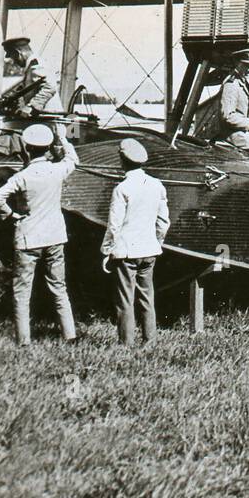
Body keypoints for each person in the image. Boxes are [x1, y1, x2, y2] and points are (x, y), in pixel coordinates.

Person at [0, 123, 78, 345]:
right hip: (55, 237)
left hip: (28, 238)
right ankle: (70, 336)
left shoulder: (22, 176)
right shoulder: (57, 171)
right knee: (59, 288)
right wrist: (63, 139)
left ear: (27, 148)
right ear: (48, 148)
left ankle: (24, 340)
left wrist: (11, 215)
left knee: (22, 292)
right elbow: (73, 160)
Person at [101, 138, 170, 344]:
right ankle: (150, 341)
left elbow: (114, 225)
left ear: (122, 160)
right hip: (150, 250)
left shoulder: (122, 189)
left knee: (125, 300)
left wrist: (107, 250)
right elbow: (163, 221)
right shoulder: (157, 185)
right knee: (147, 298)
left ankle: (126, 344)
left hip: (126, 252)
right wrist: (156, 242)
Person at [0, 36, 62, 118]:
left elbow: (49, 86)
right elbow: (26, 90)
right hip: (43, 119)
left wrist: (32, 107)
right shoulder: (30, 67)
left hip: (49, 119)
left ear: (18, 52)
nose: (14, 62)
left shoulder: (36, 65)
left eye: (13, 57)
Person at [218, 48, 249, 149]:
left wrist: (248, 121)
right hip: (233, 137)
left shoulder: (242, 82)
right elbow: (228, 116)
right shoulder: (231, 85)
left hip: (240, 135)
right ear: (237, 63)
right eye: (246, 65)